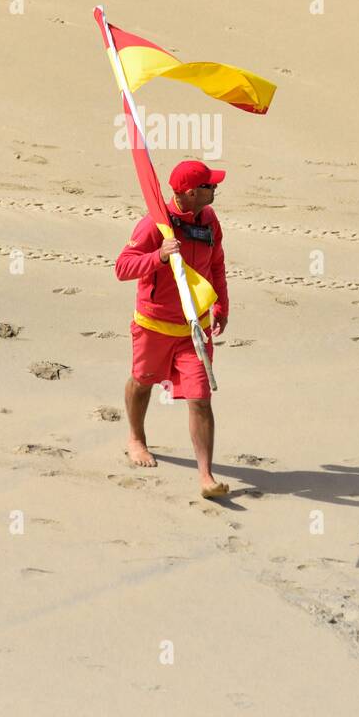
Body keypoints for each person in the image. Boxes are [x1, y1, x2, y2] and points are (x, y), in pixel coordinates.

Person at [114, 160, 230, 498]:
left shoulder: (208, 220)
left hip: (195, 327)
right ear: (192, 193)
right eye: (210, 186)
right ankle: (136, 437)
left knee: (200, 398)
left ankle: (206, 476)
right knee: (143, 381)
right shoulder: (155, 225)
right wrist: (159, 257)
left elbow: (217, 262)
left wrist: (221, 303)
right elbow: (122, 267)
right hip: (154, 325)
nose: (215, 189)